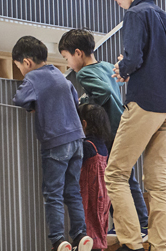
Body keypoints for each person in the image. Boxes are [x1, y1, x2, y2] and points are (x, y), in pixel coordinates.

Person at [103, 0, 166, 251]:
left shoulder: (136, 14)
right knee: (158, 181)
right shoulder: (164, 15)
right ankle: (161, 246)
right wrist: (130, 67)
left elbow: (134, 58)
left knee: (115, 173)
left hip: (147, 103)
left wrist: (123, 69)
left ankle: (132, 244)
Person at [59, 29, 149, 238]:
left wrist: (84, 103)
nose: (68, 64)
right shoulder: (108, 67)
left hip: (108, 129)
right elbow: (114, 86)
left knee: (114, 178)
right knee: (124, 177)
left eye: (67, 58)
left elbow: (103, 93)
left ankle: (139, 223)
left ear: (78, 53)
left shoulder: (84, 73)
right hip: (123, 125)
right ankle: (132, 222)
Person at [11, 36, 93, 251]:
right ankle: (80, 235)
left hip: (56, 142)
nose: (20, 70)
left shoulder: (33, 79)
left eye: (18, 65)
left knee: (53, 193)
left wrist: (32, 104)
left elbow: (19, 99)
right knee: (72, 190)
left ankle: (58, 240)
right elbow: (74, 99)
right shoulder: (59, 74)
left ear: (27, 62)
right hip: (77, 140)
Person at [77, 103, 112, 250]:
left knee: (89, 223)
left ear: (83, 124)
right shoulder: (102, 145)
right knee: (100, 223)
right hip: (104, 193)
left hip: (91, 192)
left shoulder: (87, 146)